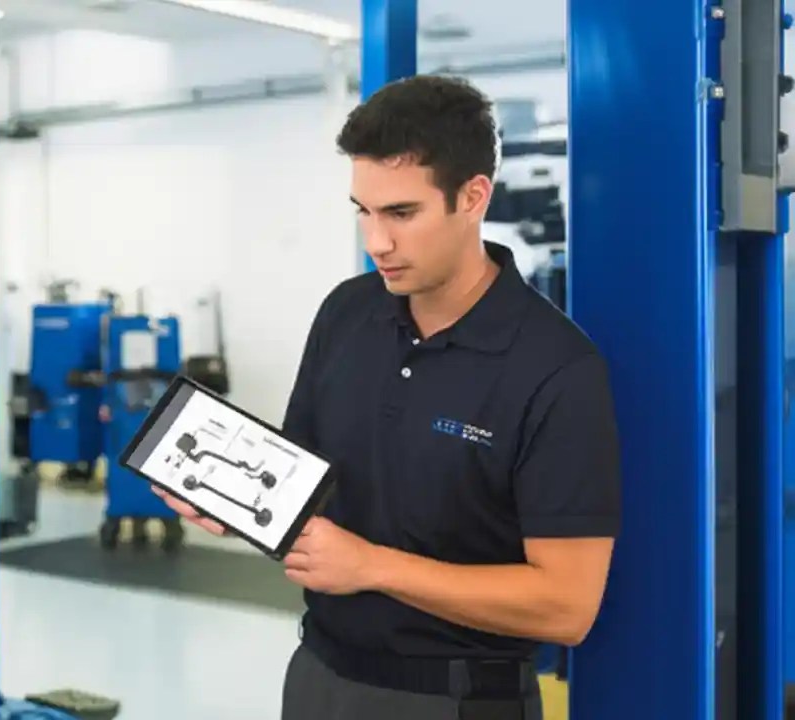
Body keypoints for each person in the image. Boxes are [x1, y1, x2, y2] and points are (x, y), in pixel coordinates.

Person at [158, 74, 621, 720]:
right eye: (363, 211)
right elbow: (305, 491)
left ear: (473, 197)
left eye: (402, 214)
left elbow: (566, 608)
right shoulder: (346, 314)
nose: (376, 242)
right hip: (318, 677)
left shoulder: (556, 369)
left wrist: (372, 567)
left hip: (458, 701)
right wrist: (235, 502)